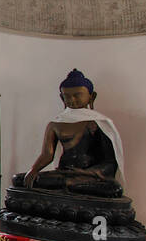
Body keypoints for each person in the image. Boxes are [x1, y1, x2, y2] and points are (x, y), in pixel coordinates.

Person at [22, 68, 125, 197]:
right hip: (63, 173)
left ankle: (69, 186)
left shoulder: (98, 123)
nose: (72, 100)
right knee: (19, 179)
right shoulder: (55, 124)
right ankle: (69, 186)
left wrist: (87, 173)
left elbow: (110, 162)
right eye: (67, 96)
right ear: (61, 97)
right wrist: (33, 170)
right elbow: (47, 154)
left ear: (91, 97)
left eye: (77, 95)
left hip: (88, 176)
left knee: (114, 189)